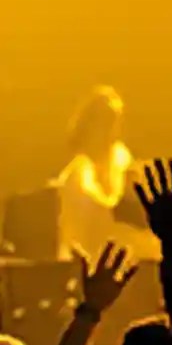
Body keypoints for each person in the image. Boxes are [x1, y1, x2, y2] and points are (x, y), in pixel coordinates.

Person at [55, 87, 156, 261]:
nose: (111, 130)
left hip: (122, 251)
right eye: (106, 122)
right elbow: (99, 217)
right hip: (88, 257)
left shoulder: (120, 157)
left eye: (115, 122)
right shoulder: (77, 174)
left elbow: (135, 209)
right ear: (90, 126)